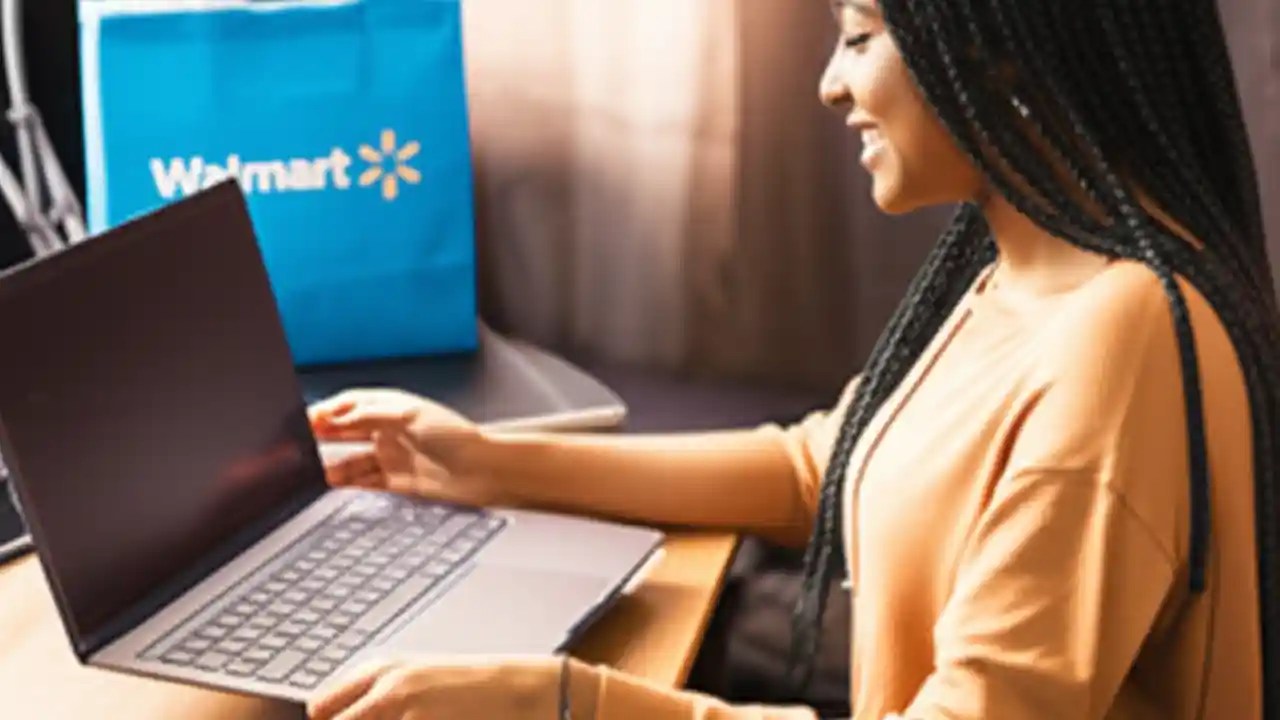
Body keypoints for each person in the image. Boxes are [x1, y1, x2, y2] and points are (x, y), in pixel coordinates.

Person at [303, 0, 1280, 718]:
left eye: (857, 35)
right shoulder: (1029, 265)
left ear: (997, 51)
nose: (828, 83)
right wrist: (489, 461)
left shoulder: (1119, 347)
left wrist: (571, 704)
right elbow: (825, 463)